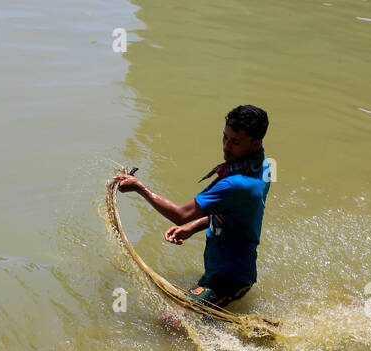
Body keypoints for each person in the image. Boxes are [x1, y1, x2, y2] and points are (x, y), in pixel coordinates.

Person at [113, 105, 270, 332]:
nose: (226, 147)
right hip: (231, 268)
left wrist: (140, 188)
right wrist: (194, 227)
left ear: (255, 143)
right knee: (194, 316)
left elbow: (180, 214)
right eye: (224, 138)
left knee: (169, 321)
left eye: (235, 142)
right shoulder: (262, 166)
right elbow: (238, 211)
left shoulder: (236, 184)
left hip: (228, 279)